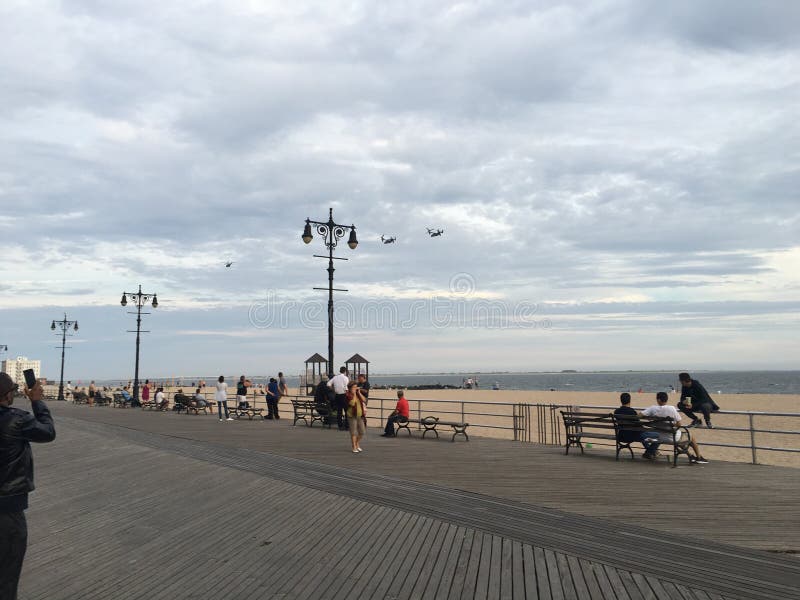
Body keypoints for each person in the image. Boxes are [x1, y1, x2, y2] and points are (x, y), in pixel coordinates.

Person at [0, 372, 56, 600]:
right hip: (7, 510)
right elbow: (48, 432)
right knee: (6, 575)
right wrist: (37, 401)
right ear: (7, 395)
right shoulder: (17, 419)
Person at [642, 392, 708, 464]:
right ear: (666, 399)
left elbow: (640, 415)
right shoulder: (671, 408)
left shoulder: (652, 408)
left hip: (660, 437)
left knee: (682, 438)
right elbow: (679, 424)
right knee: (690, 437)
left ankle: (691, 456)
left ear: (658, 400)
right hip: (672, 437)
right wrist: (672, 425)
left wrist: (649, 418)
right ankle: (699, 457)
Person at [614, 393, 660, 459]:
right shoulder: (632, 412)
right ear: (630, 401)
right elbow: (638, 425)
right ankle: (650, 451)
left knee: (642, 435)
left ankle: (650, 451)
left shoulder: (616, 412)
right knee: (659, 435)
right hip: (632, 436)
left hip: (621, 436)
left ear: (621, 400)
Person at [345, 382, 366, 453]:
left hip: (359, 415)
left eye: (356, 387)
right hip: (352, 415)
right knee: (353, 432)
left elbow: (364, 400)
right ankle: (354, 447)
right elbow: (352, 403)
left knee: (362, 431)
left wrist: (359, 393)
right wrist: (354, 394)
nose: (355, 388)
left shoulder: (358, 394)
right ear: (350, 388)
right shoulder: (348, 395)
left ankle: (356, 443)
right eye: (354, 387)